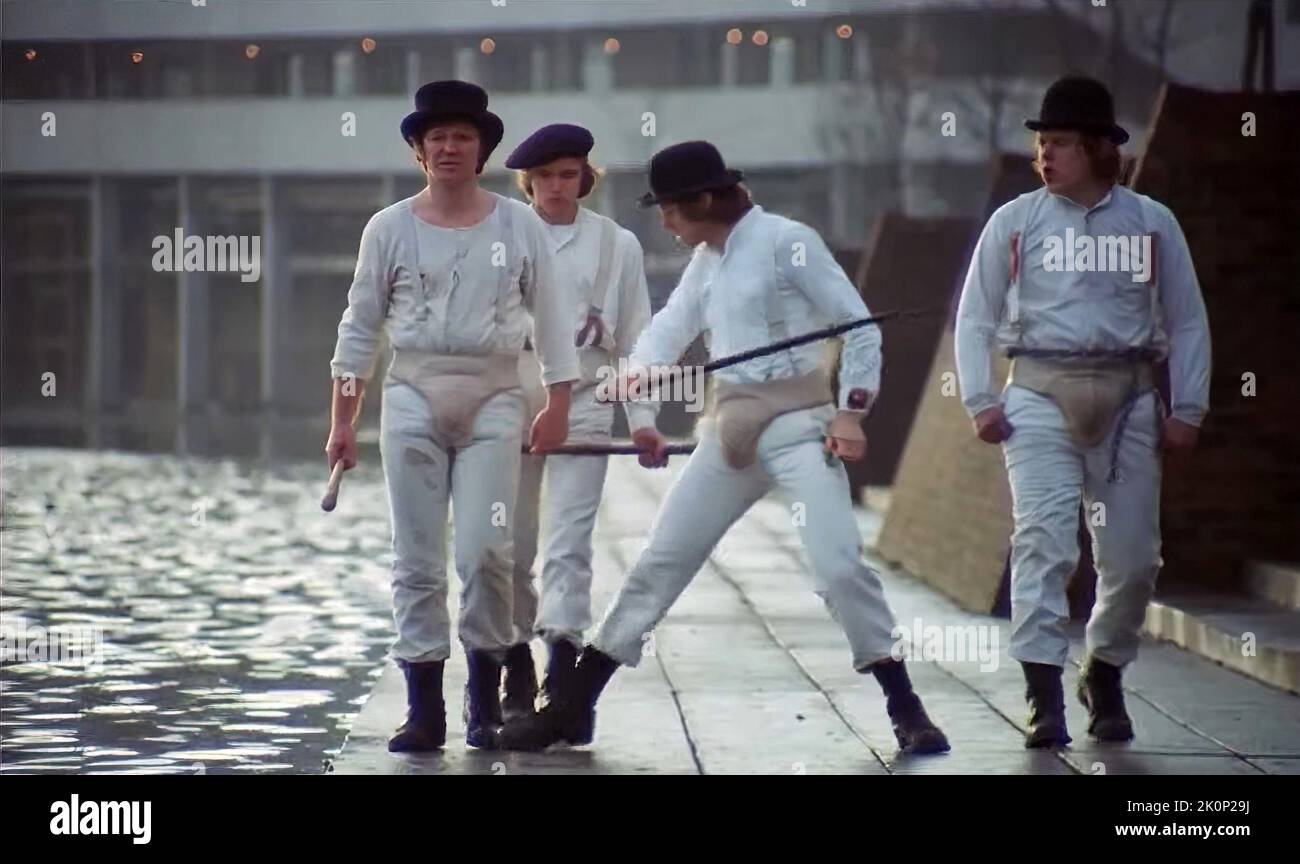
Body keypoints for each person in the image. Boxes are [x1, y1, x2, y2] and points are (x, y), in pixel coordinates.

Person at [499, 140, 950, 755]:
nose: (665, 222)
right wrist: (636, 376)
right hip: (727, 428)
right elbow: (669, 328)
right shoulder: (706, 260)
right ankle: (572, 707)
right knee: (662, 559)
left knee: (839, 565)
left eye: (671, 210)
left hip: (800, 427)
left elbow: (859, 327)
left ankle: (906, 707)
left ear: (705, 200)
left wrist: (851, 411)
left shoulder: (790, 241)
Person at [954, 76, 1211, 747]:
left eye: (1061, 143)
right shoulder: (1014, 221)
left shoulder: (1153, 222)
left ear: (1100, 147)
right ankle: (1044, 695)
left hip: (1129, 398)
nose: (1046, 155)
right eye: (1041, 143)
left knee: (1134, 558)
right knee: (1043, 543)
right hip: (1038, 393)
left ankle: (1103, 672)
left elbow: (1186, 320)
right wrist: (980, 398)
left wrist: (1190, 405)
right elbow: (976, 314)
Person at [325, 81, 580, 752]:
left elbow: (552, 320)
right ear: (418, 150)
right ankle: (422, 709)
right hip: (412, 394)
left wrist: (558, 402)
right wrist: (343, 421)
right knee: (416, 560)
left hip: (497, 395)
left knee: (486, 552)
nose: (448, 147)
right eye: (435, 137)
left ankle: (483, 698)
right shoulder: (388, 227)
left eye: (462, 136)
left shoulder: (517, 223)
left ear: (483, 149)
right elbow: (360, 329)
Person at [500, 123, 663, 722]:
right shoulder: (502, 236)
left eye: (567, 174)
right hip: (508, 402)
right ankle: (514, 659)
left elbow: (636, 338)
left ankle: (561, 673)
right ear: (528, 181)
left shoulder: (617, 245)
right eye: (544, 176)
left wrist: (642, 419)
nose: (555, 187)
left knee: (568, 543)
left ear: (585, 178)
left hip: (590, 399)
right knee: (508, 544)